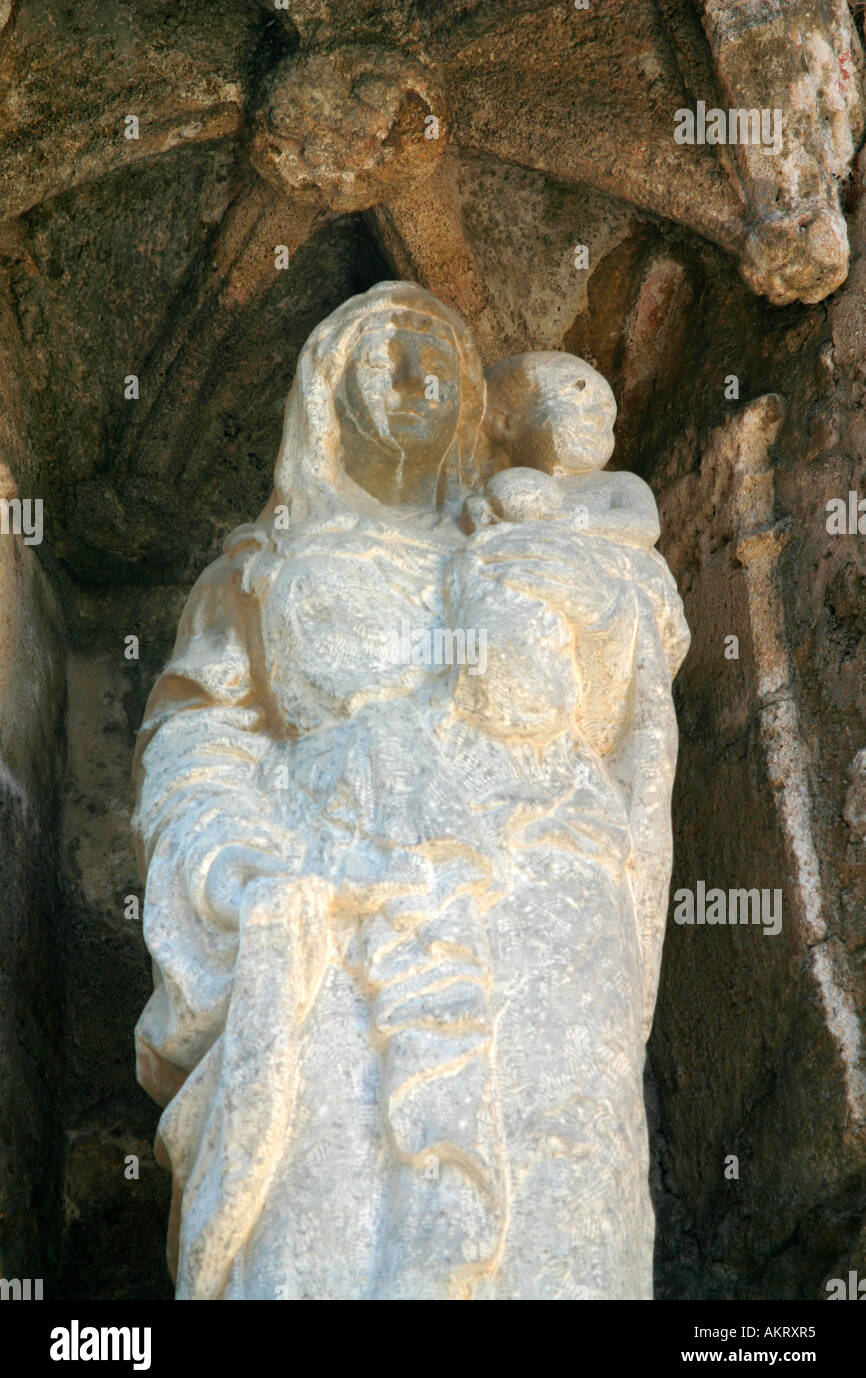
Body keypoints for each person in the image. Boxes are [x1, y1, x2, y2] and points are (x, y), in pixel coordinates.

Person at [133, 282, 688, 1300]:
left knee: (560, 1178)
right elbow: (196, 747)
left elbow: (621, 705)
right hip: (332, 883)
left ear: (475, 404)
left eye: (435, 355)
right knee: (331, 1188)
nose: (409, 375)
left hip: (538, 890)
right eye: (376, 356)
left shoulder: (532, 543)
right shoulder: (256, 571)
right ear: (321, 395)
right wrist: (242, 874)